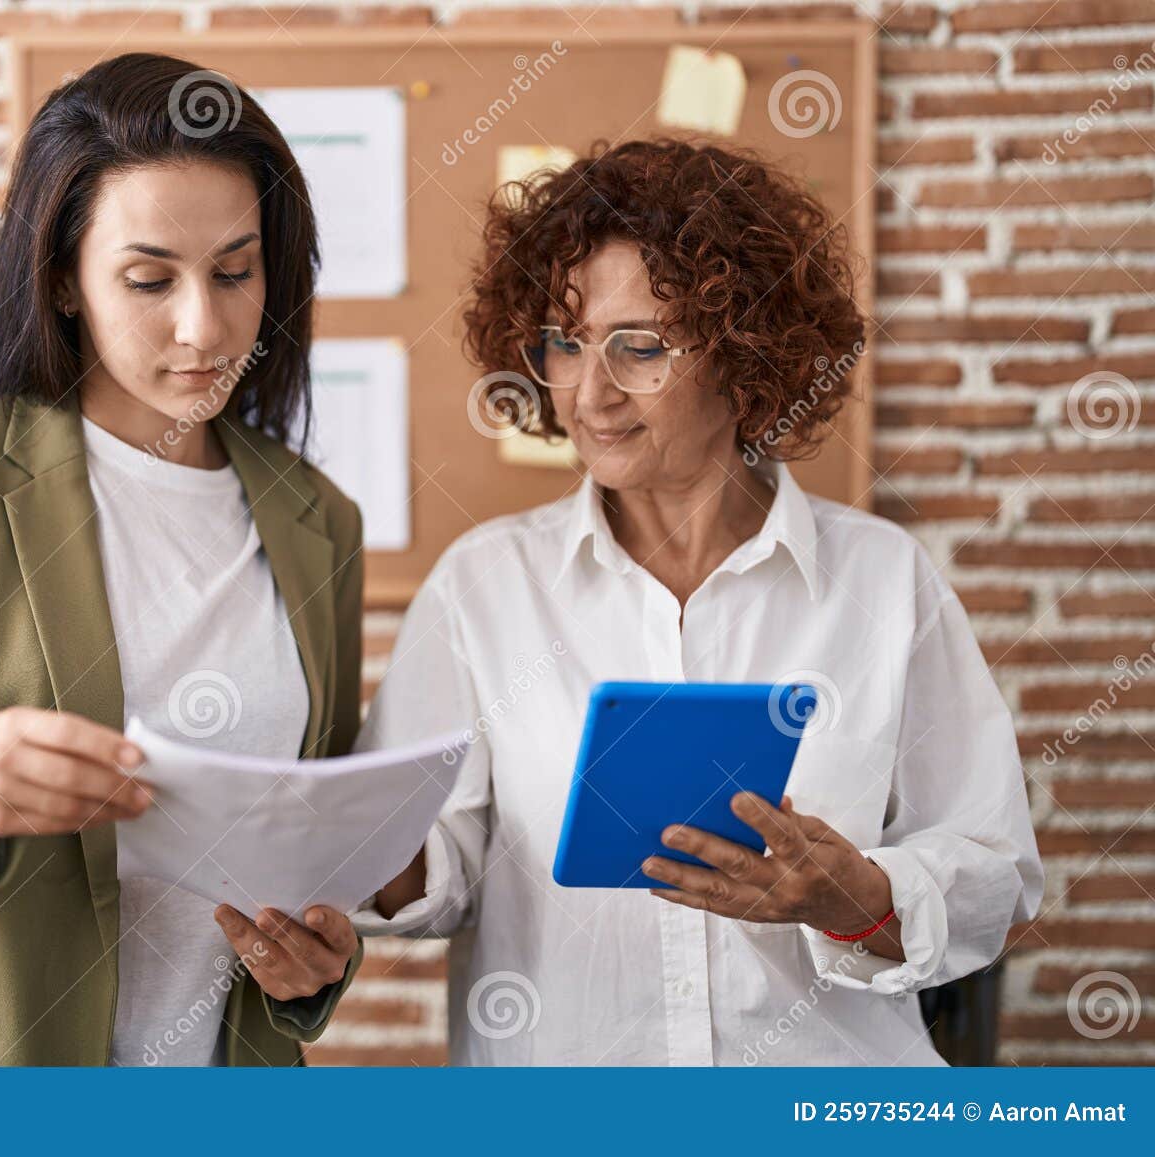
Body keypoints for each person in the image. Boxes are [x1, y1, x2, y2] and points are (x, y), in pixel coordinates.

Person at [354, 138, 1043, 1066]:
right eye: (565, 344)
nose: (589, 392)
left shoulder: (883, 581)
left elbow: (993, 871)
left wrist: (863, 896)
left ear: (743, 351)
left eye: (639, 347)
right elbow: (427, 865)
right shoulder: (484, 587)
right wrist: (364, 851)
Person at [0, 53, 364, 1067]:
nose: (204, 325)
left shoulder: (317, 521)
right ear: (63, 280)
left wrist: (317, 964)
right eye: (148, 278)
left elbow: (312, 840)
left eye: (234, 270)